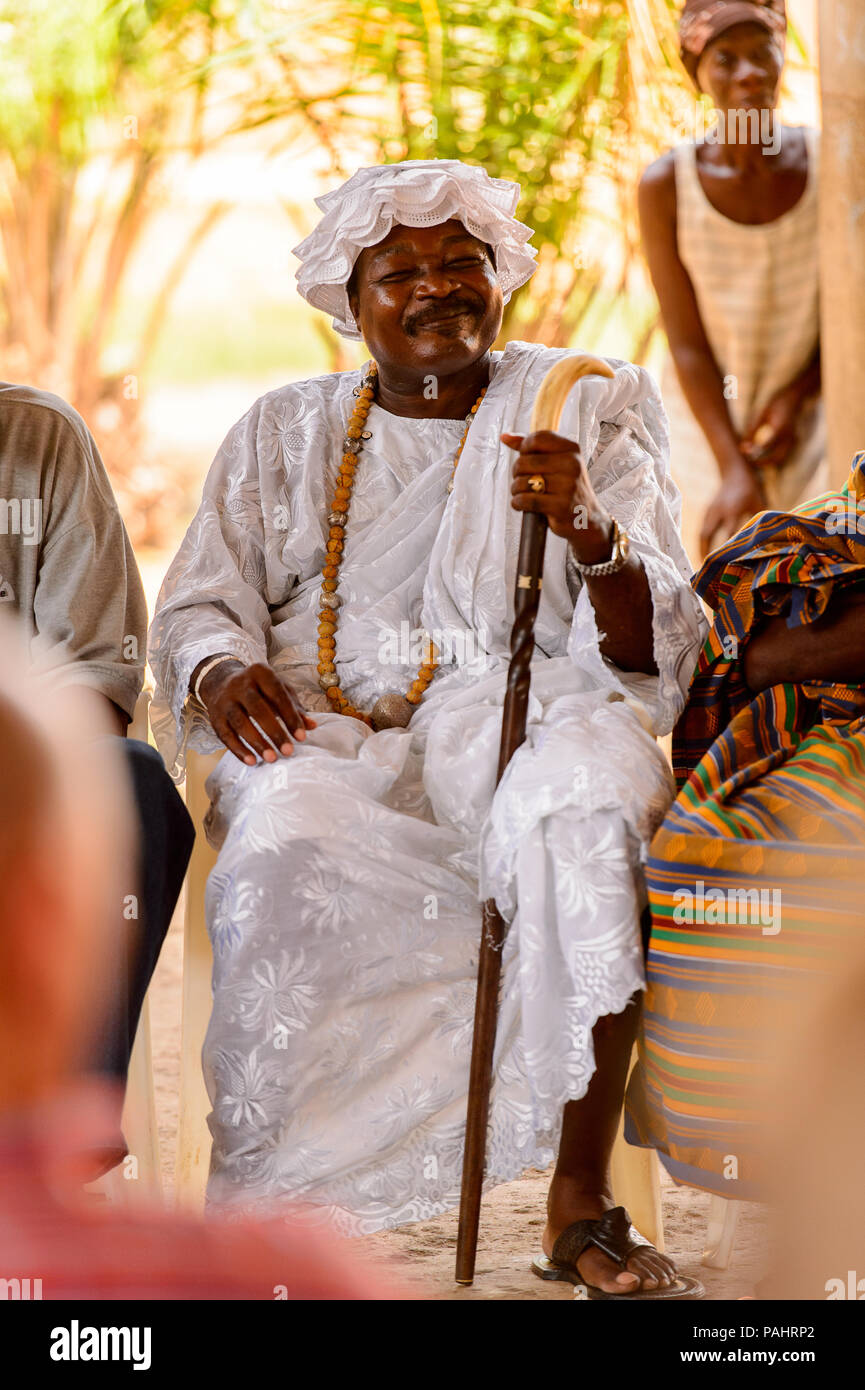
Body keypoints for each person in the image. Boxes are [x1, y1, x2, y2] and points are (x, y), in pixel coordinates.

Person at [149, 159, 707, 1297]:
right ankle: (276, 1211)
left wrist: (589, 529)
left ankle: (579, 1198)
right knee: (284, 852)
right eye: (400, 270)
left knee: (590, 811)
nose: (437, 288)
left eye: (463, 262)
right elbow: (201, 597)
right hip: (323, 731)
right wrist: (215, 672)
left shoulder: (577, 405)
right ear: (349, 301)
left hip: (539, 702)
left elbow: (661, 638)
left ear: (501, 276)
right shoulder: (285, 433)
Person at [0, 619, 401, 1300]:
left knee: (130, 772)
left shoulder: (54, 505)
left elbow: (97, 678)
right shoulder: (276, 1277)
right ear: (71, 924)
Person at [625, 450, 865, 1199]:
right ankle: (746, 1129)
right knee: (700, 857)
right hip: (817, 737)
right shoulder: (803, 544)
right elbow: (735, 660)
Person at [0, 380, 193, 1171]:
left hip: (17, 773)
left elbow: (93, 667)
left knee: (128, 778)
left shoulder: (39, 438)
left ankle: (57, 1141)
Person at [639, 0, 824, 569]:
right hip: (706, 423)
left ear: (782, 56)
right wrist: (732, 467)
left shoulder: (830, 163)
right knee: (716, 573)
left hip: (813, 408)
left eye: (761, 52)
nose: (748, 72)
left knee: (824, 565)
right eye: (725, 58)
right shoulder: (668, 184)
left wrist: (795, 399)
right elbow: (687, 345)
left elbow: (851, 309)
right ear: (697, 74)